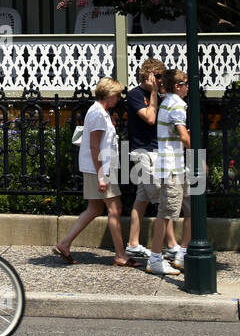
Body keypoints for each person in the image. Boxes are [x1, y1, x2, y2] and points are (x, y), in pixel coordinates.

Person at [52, 77, 137, 266]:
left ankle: (64, 243)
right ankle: (121, 255)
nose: (119, 98)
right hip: (101, 168)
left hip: (97, 167)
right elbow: (94, 147)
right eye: (117, 94)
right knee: (115, 208)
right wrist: (101, 176)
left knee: (95, 208)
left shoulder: (99, 112)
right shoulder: (98, 114)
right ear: (109, 94)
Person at [124, 58, 183, 265]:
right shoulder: (134, 95)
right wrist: (152, 93)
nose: (160, 81)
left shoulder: (159, 95)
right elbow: (149, 118)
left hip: (156, 153)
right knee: (163, 197)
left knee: (142, 198)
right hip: (143, 153)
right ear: (146, 75)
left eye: (161, 77)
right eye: (157, 76)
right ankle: (172, 245)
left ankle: (133, 243)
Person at [147, 68, 193, 278]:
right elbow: (184, 136)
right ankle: (156, 259)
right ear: (177, 86)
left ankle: (182, 254)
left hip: (176, 166)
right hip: (172, 168)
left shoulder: (168, 101)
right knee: (166, 214)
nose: (187, 87)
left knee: (189, 208)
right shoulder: (176, 103)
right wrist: (199, 157)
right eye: (185, 83)